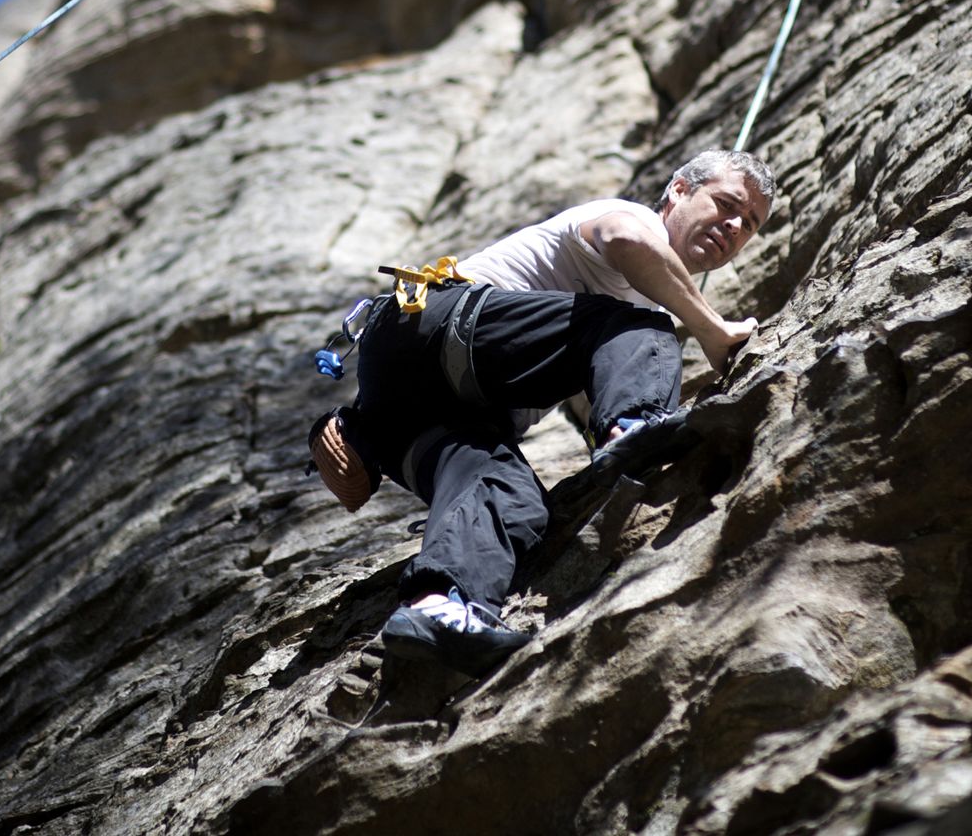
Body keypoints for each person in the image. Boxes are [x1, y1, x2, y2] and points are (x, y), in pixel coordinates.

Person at [308, 149, 773, 675]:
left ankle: (440, 607)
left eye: (749, 225)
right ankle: (636, 424)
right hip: (435, 330)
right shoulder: (636, 221)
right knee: (641, 327)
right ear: (679, 192)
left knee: (511, 495)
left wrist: (614, 448)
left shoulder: (614, 323)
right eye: (727, 204)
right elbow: (628, 242)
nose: (734, 226)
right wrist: (711, 329)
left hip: (412, 417)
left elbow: (592, 395)